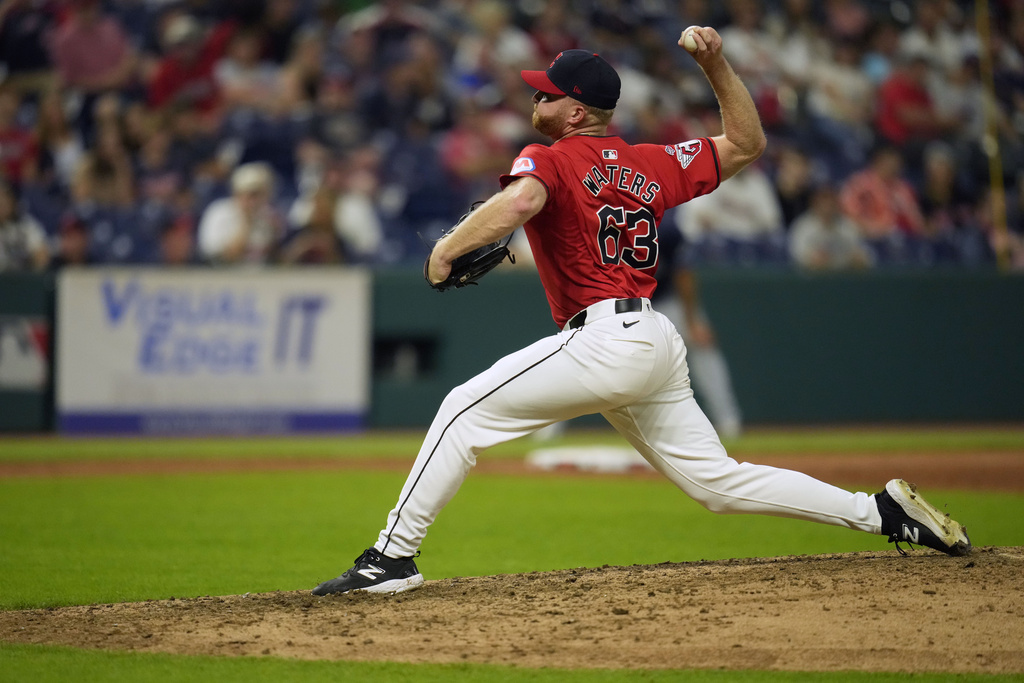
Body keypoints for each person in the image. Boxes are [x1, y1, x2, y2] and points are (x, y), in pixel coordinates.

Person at [312, 30, 971, 596]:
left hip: (604, 337)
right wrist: (716, 66)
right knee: (718, 483)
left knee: (461, 408)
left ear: (576, 111)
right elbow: (746, 144)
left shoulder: (549, 157)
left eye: (547, 92)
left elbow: (518, 205)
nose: (535, 98)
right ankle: (880, 512)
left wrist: (446, 248)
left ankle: (390, 557)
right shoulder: (649, 162)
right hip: (654, 337)